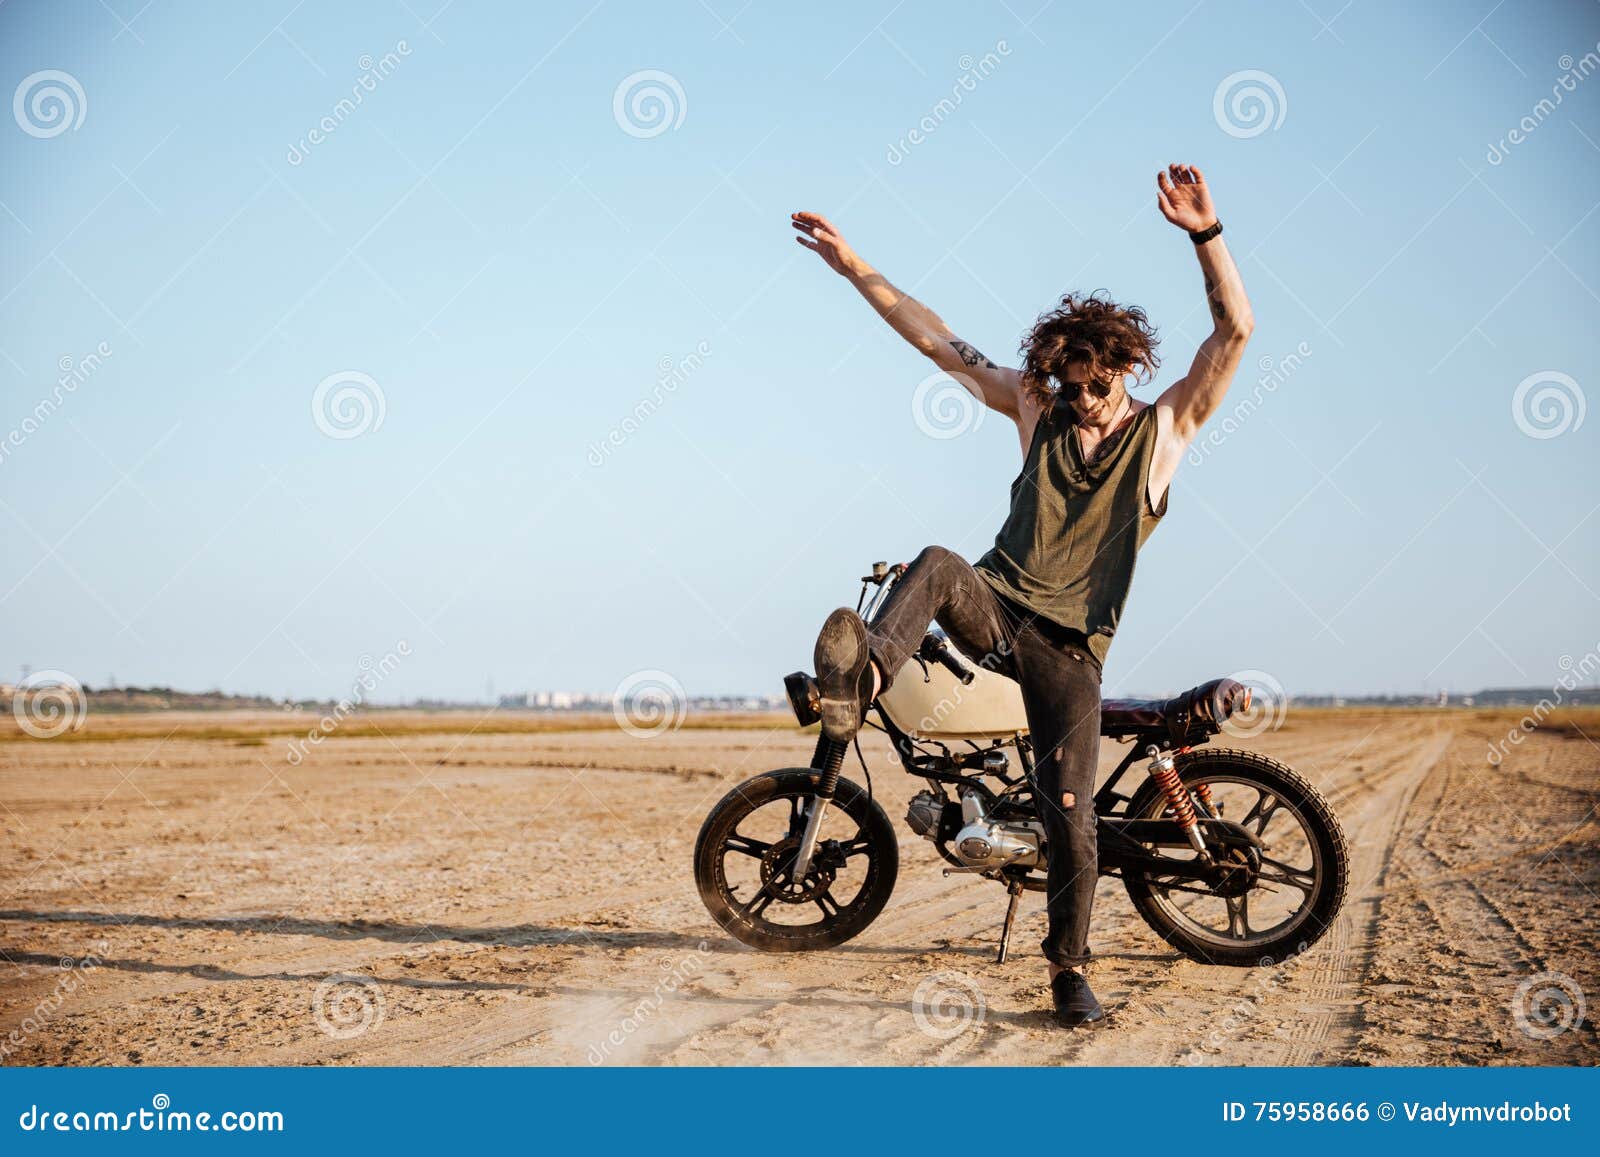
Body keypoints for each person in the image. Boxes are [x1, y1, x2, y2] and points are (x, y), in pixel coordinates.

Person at [791, 163, 1255, 1026]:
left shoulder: (1164, 431)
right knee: (933, 559)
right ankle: (864, 684)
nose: (1079, 400)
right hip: (995, 607)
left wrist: (1206, 234)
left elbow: (1234, 332)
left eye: (1095, 385)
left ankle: (1069, 976)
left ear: (1127, 367)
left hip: (1071, 652)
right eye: (1067, 384)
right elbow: (937, 340)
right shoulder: (1034, 409)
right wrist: (856, 267)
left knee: (1072, 821)